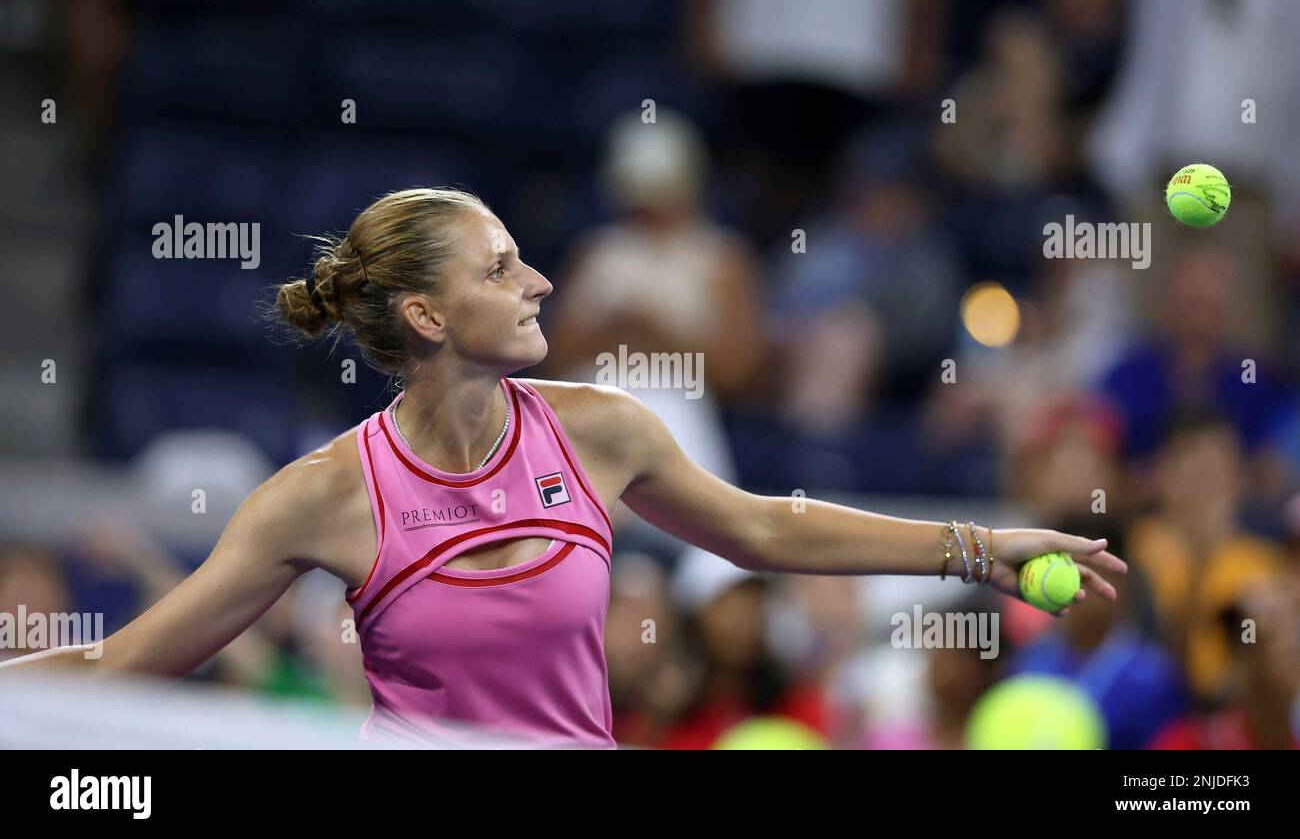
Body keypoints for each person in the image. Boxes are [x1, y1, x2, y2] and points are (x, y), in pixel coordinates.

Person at [0, 188, 1126, 749]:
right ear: (427, 312)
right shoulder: (324, 496)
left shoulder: (599, 430)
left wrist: (980, 550)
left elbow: (767, 530)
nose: (539, 281)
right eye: (502, 269)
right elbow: (134, 661)